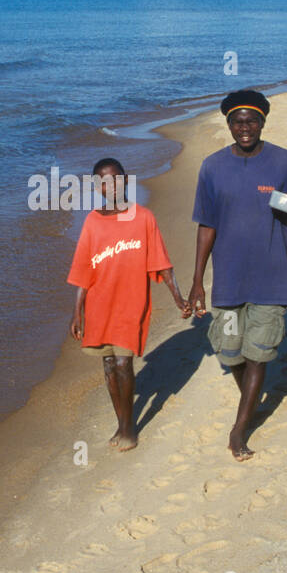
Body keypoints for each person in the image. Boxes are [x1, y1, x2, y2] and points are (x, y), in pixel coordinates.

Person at [187, 89, 287, 461]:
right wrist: (198, 280)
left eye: (252, 120)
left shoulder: (284, 162)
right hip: (228, 280)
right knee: (233, 354)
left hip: (270, 278)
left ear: (263, 122)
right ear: (228, 124)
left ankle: (239, 429)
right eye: (237, 121)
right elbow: (206, 225)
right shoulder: (212, 167)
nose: (245, 127)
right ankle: (251, 403)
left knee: (259, 355)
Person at [69, 158, 188, 451]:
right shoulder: (93, 221)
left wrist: (178, 298)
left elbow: (161, 262)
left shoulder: (142, 217)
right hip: (99, 306)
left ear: (125, 180)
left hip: (129, 304)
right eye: (102, 181)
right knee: (109, 364)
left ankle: (128, 429)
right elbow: (84, 269)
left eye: (114, 179)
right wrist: (77, 313)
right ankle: (121, 424)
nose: (109, 186)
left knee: (124, 362)